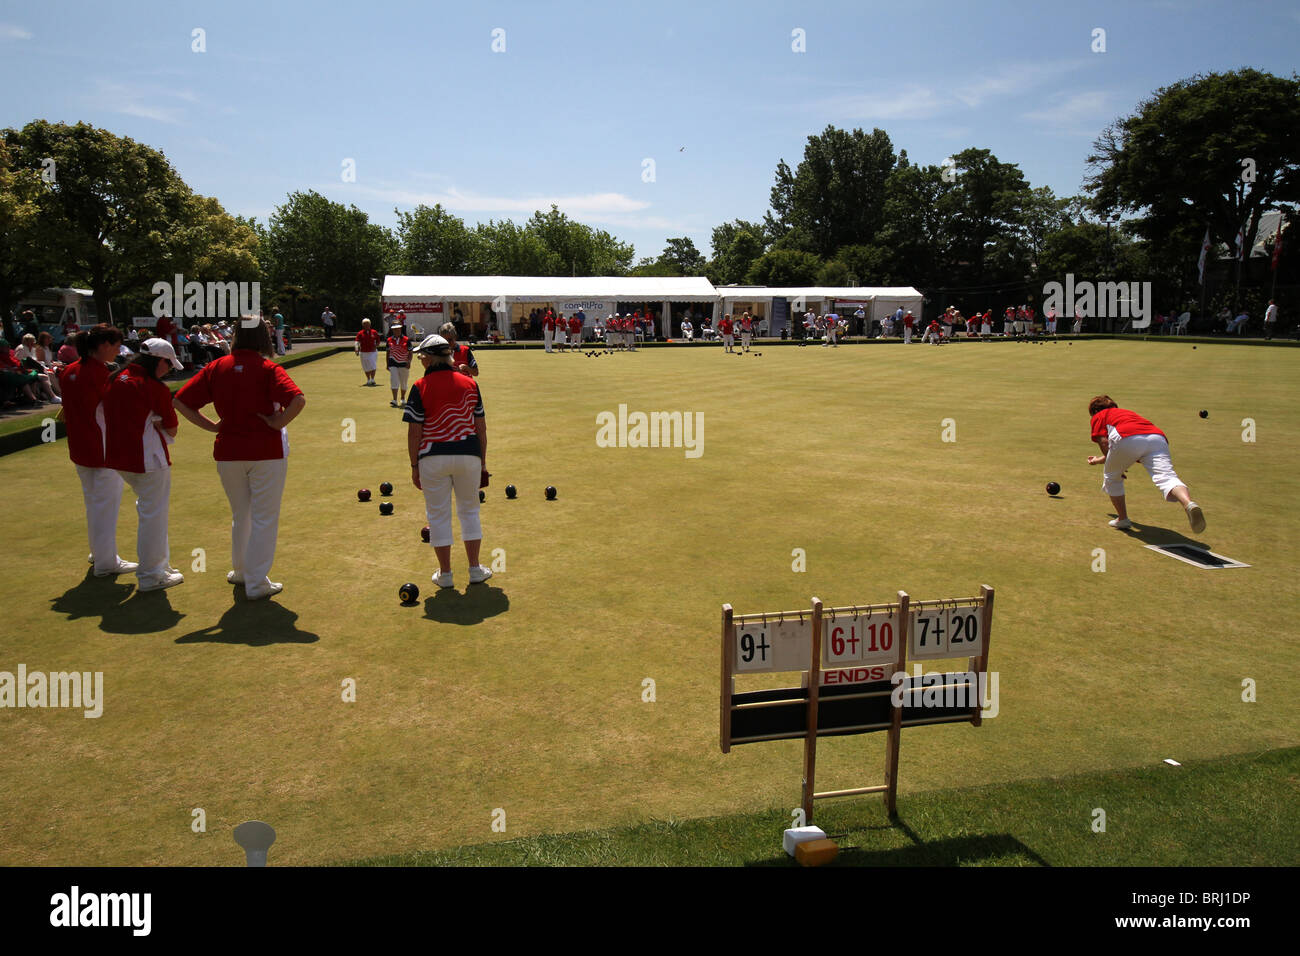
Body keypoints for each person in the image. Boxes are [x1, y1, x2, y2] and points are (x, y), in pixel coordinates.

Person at [174, 317, 306, 600]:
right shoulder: (267, 368)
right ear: (263, 337)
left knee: (241, 514)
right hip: (266, 452)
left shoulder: (216, 367)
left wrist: (212, 426)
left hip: (228, 452)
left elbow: (181, 401)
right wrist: (277, 422)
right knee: (264, 517)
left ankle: (243, 572)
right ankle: (256, 582)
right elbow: (298, 400)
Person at [403, 334, 491, 589]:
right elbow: (481, 428)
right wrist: (483, 463)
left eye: (421, 356)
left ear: (429, 359)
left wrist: (414, 466)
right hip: (468, 455)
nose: (420, 358)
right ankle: (475, 569)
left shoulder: (420, 386)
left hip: (432, 458)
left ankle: (446, 575)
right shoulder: (469, 384)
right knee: (470, 511)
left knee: (438, 516)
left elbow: (414, 432)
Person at [101, 339, 185, 591]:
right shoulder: (152, 387)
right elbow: (172, 427)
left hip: (118, 457)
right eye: (168, 364)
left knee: (149, 511)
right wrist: (158, 423)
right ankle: (151, 575)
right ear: (159, 361)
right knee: (153, 516)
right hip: (148, 460)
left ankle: (160, 564)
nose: (169, 369)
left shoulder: (115, 378)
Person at [1086, 395, 1205, 533]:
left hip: (1127, 437)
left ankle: (1123, 519)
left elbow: (1105, 442)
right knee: (1166, 477)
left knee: (1111, 477)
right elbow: (1124, 447)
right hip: (1157, 438)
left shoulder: (1099, 416)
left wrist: (1117, 467)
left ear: (1094, 411)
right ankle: (1188, 503)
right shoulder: (1127, 413)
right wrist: (1099, 460)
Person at [385, 321, 412, 407]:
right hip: (393, 363)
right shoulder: (389, 340)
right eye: (395, 329)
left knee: (403, 382)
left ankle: (403, 398)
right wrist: (387, 364)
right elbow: (388, 353)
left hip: (404, 364)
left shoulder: (406, 340)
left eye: (398, 329)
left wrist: (409, 362)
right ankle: (394, 399)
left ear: (400, 329)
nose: (397, 331)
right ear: (392, 330)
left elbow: (410, 352)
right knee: (394, 380)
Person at [355, 318, 380, 386]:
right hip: (363, 352)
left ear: (370, 325)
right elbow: (357, 342)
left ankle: (372, 379)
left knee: (373, 365)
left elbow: (378, 341)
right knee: (365, 366)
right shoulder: (360, 333)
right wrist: (356, 349)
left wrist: (376, 346)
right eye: (365, 324)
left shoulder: (374, 332)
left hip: (372, 352)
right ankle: (368, 380)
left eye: (368, 324)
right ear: (363, 325)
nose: (366, 326)